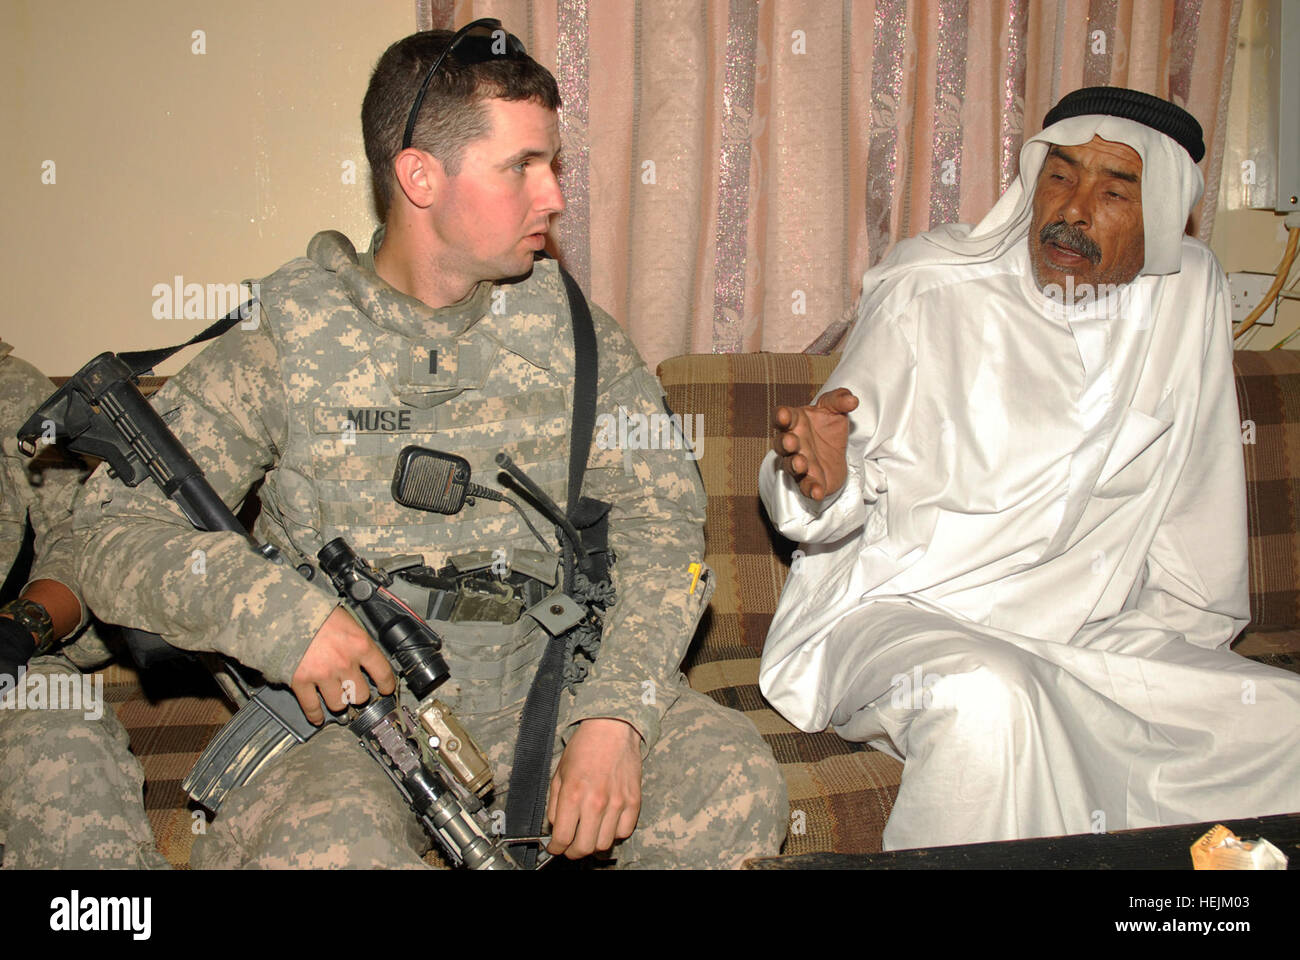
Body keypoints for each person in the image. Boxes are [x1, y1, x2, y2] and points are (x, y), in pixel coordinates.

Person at [74, 23, 785, 869]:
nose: (554, 196)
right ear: (420, 175)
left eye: (553, 163)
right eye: (521, 166)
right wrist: (284, 621)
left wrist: (618, 714)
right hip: (356, 727)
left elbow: (667, 532)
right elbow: (102, 535)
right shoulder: (290, 338)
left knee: (733, 783)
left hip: (546, 694)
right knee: (324, 851)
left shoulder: (570, 335)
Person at [762, 86, 1300, 851]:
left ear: (1160, 214)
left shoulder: (1189, 295)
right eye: (1060, 176)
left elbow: (1197, 487)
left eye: (1114, 191)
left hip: (1089, 633)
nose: (1073, 211)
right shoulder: (933, 284)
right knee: (991, 697)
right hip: (906, 617)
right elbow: (827, 458)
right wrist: (814, 479)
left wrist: (1177, 653)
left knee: (1281, 724)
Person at [0, 341, 166, 869]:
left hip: (12, 665)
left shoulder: (11, 393)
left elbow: (78, 536)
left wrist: (20, 628)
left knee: (61, 731)